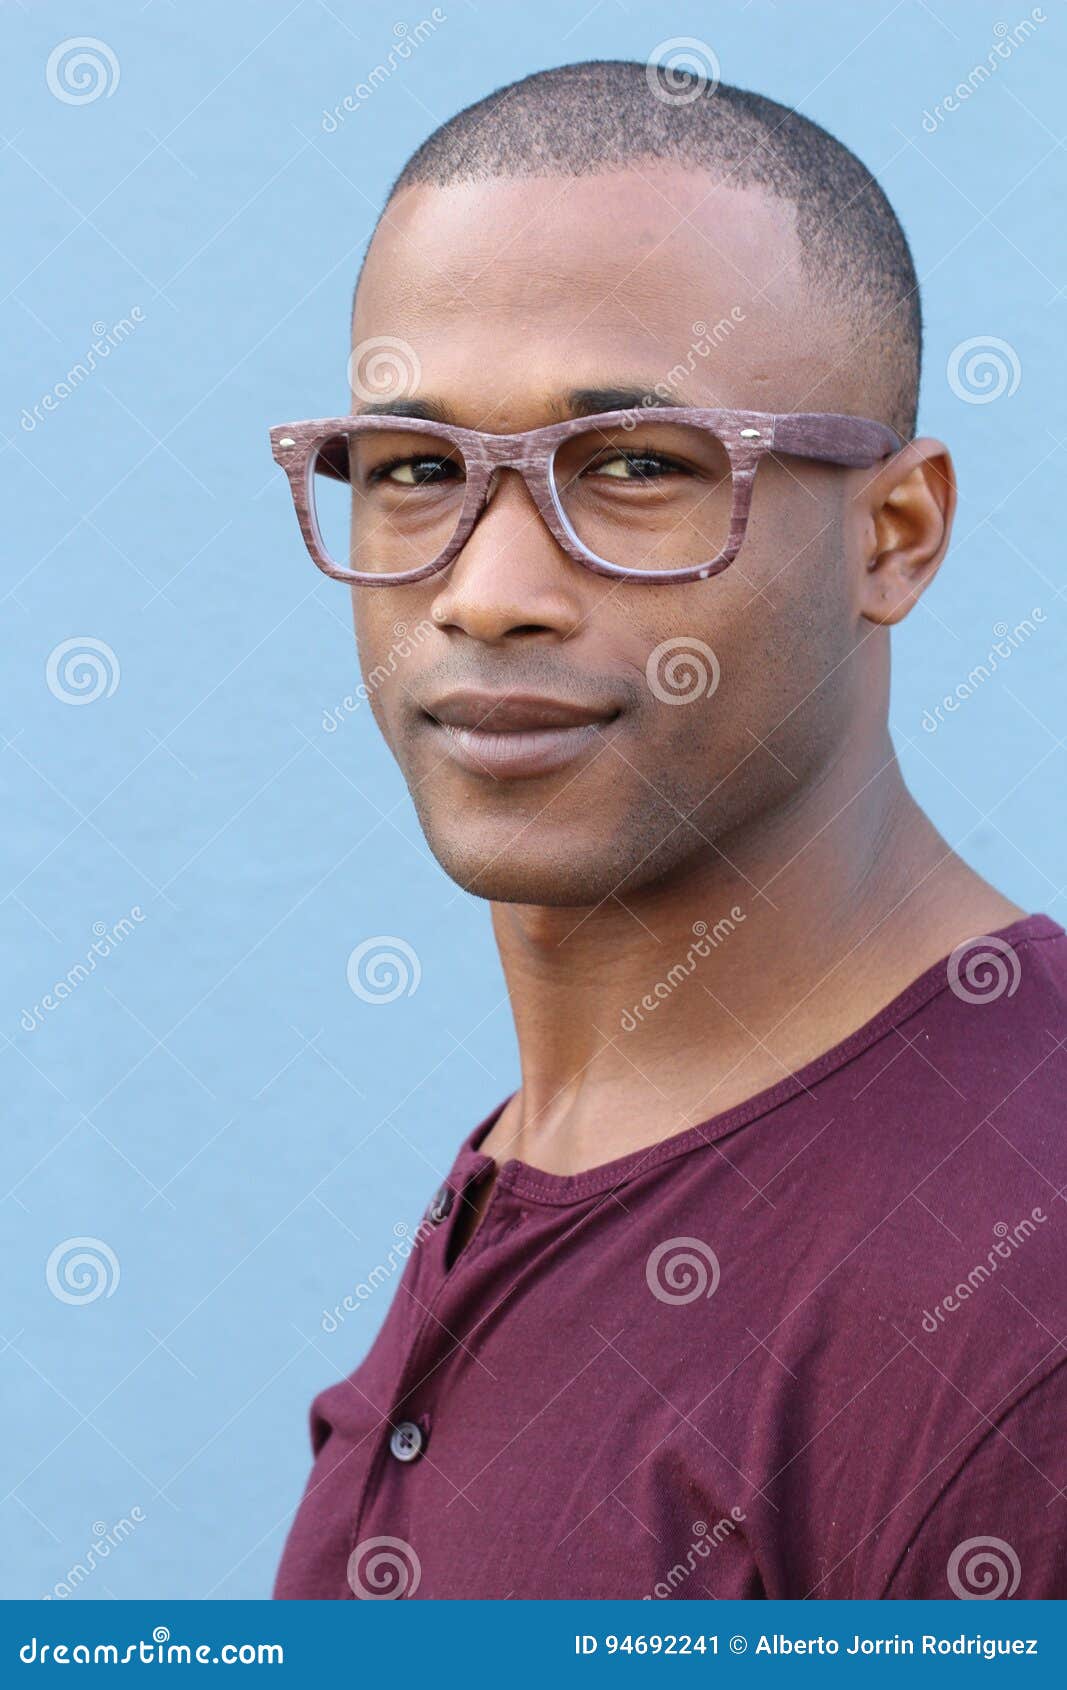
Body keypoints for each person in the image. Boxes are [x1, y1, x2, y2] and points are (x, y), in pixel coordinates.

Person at [270, 61, 1066, 1601]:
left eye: (635, 467)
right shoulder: (543, 1168)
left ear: (893, 536)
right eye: (418, 468)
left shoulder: (1015, 1298)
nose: (487, 589)